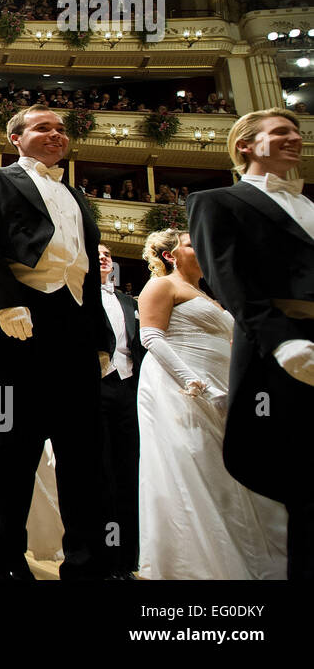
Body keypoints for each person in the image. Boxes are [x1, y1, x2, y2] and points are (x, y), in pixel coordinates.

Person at [0, 105, 108, 580]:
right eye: (43, 127)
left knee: (85, 455)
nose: (56, 134)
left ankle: (88, 564)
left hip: (76, 328)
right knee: (11, 449)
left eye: (62, 129)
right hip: (18, 320)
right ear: (15, 138)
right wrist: (5, 304)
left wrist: (100, 338)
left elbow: (86, 269)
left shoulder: (76, 193)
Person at [188, 108, 314, 579]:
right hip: (280, 350)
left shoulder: (310, 204)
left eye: (298, 132)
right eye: (282, 132)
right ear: (245, 145)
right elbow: (230, 278)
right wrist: (283, 344)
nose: (295, 139)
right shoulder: (217, 201)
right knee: (302, 483)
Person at [135, 228, 286, 579]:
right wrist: (192, 382)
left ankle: (242, 557)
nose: (202, 247)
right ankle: (195, 566)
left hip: (221, 388)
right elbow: (151, 337)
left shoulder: (209, 295)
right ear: (171, 255)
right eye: (191, 244)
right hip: (180, 389)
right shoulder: (163, 285)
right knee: (194, 467)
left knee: (227, 471)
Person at [96, 243, 145, 578]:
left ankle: (127, 560)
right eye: (97, 253)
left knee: (128, 472)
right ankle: (100, 555)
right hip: (93, 389)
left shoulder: (130, 302)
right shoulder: (78, 297)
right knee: (99, 473)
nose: (104, 258)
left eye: (108, 255)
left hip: (128, 390)